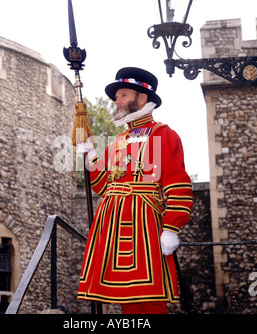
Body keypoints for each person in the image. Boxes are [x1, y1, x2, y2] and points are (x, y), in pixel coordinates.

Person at [77, 67, 193, 314]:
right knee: (126, 300)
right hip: (112, 227)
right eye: (116, 97)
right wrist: (91, 155)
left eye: (123, 95)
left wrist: (171, 227)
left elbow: (178, 184)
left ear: (142, 99)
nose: (116, 101)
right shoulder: (118, 141)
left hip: (145, 226)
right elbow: (103, 186)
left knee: (149, 297)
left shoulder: (163, 134)